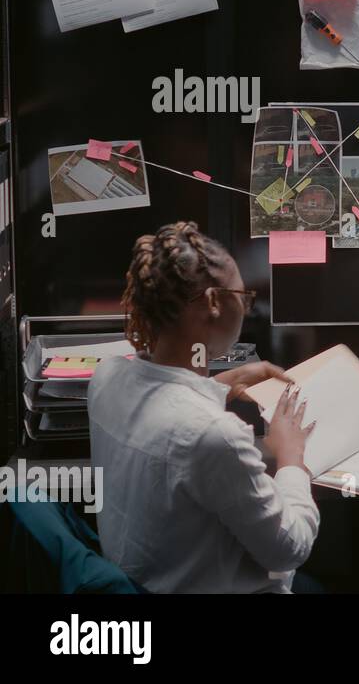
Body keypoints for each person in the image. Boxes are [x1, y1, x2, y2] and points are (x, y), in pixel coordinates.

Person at [89, 221, 319, 593]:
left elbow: (165, 412)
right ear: (213, 302)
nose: (245, 308)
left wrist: (219, 386)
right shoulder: (215, 436)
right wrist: (292, 460)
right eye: (243, 296)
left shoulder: (107, 378)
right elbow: (289, 550)